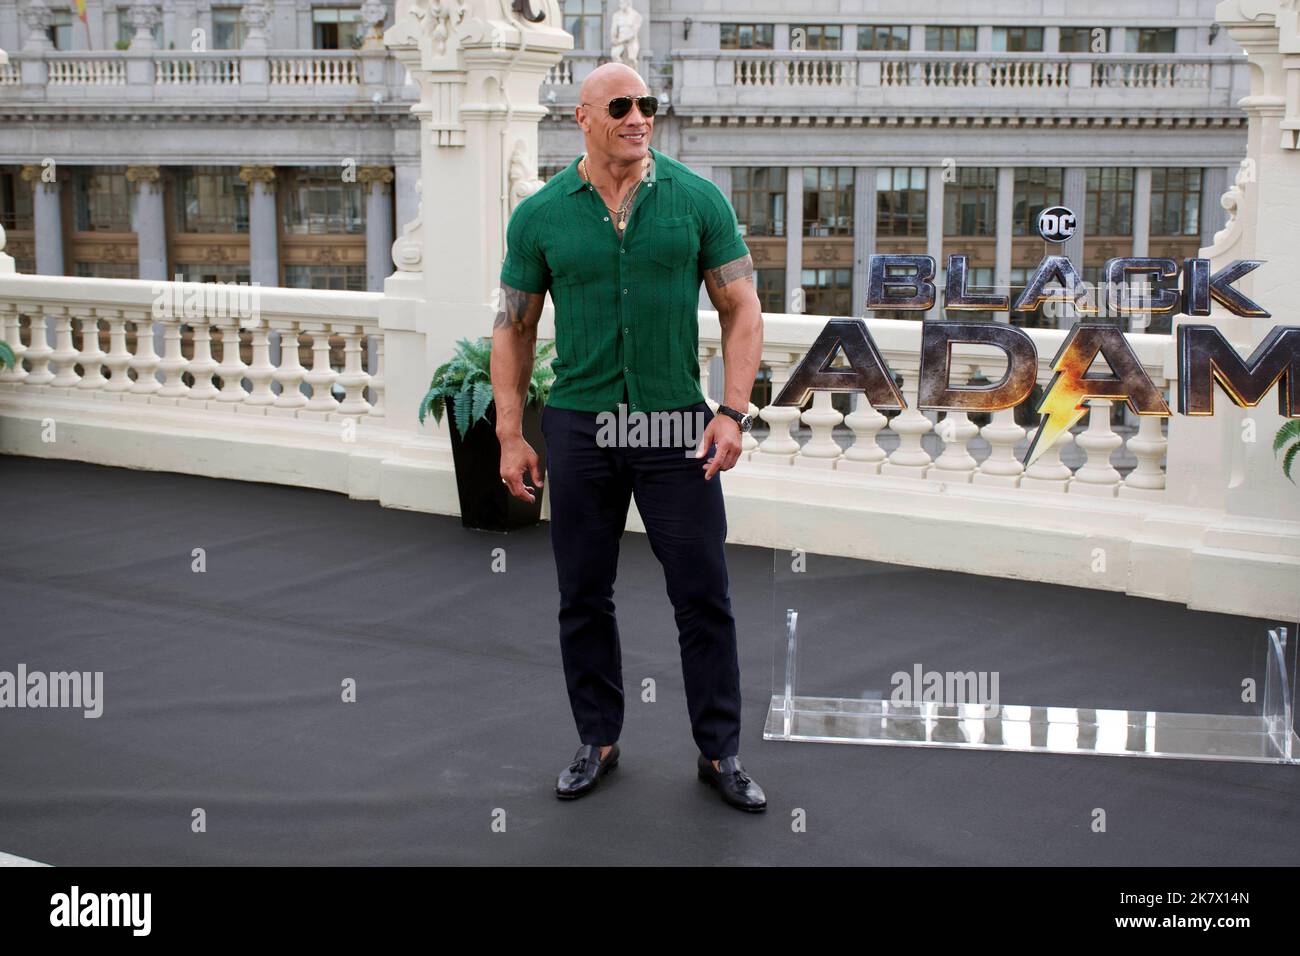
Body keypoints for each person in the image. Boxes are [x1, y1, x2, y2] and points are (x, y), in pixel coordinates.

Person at [489, 62, 767, 812]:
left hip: (675, 422)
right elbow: (513, 328)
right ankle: (597, 740)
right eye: (622, 105)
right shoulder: (542, 214)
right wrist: (512, 435)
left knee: (703, 595)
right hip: (580, 425)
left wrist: (732, 411)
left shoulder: (696, 201)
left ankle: (719, 753)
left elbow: (743, 308)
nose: (640, 116)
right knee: (583, 593)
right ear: (583, 116)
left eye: (648, 103)